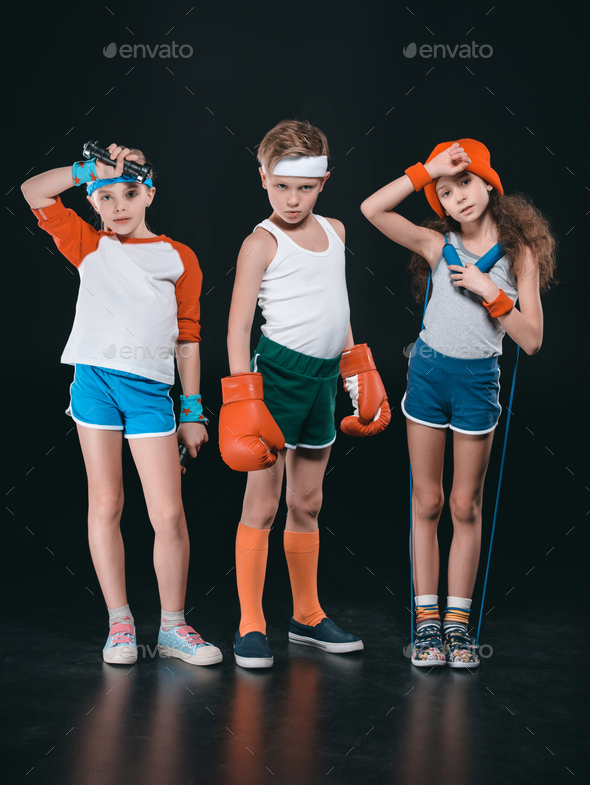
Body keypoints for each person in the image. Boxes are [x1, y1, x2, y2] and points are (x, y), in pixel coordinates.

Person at [21, 143, 222, 666]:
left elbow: (189, 336)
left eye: (130, 192)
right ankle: (120, 623)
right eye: (105, 197)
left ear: (150, 192)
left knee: (168, 514)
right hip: (94, 386)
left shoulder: (179, 257)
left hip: (150, 392)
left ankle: (174, 627)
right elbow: (32, 191)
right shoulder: (89, 245)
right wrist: (90, 169)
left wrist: (194, 410)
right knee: (106, 504)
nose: (118, 206)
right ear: (93, 204)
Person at [361, 139, 556, 668]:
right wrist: (427, 169)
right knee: (426, 502)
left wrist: (489, 292)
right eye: (445, 193)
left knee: (464, 506)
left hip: (477, 386)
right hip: (427, 377)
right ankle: (426, 627)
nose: (458, 198)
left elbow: (532, 338)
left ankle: (459, 628)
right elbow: (371, 209)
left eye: (465, 182)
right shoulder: (434, 244)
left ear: (489, 184)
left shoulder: (520, 255)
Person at [219, 119, 390, 668]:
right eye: (281, 186)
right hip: (274, 381)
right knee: (263, 502)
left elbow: (338, 309)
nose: (293, 200)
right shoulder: (259, 242)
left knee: (308, 501)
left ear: (324, 181)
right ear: (263, 179)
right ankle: (250, 624)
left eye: (305, 187)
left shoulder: (338, 231)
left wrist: (354, 369)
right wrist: (242, 399)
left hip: (321, 381)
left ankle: (307, 617)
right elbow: (237, 327)